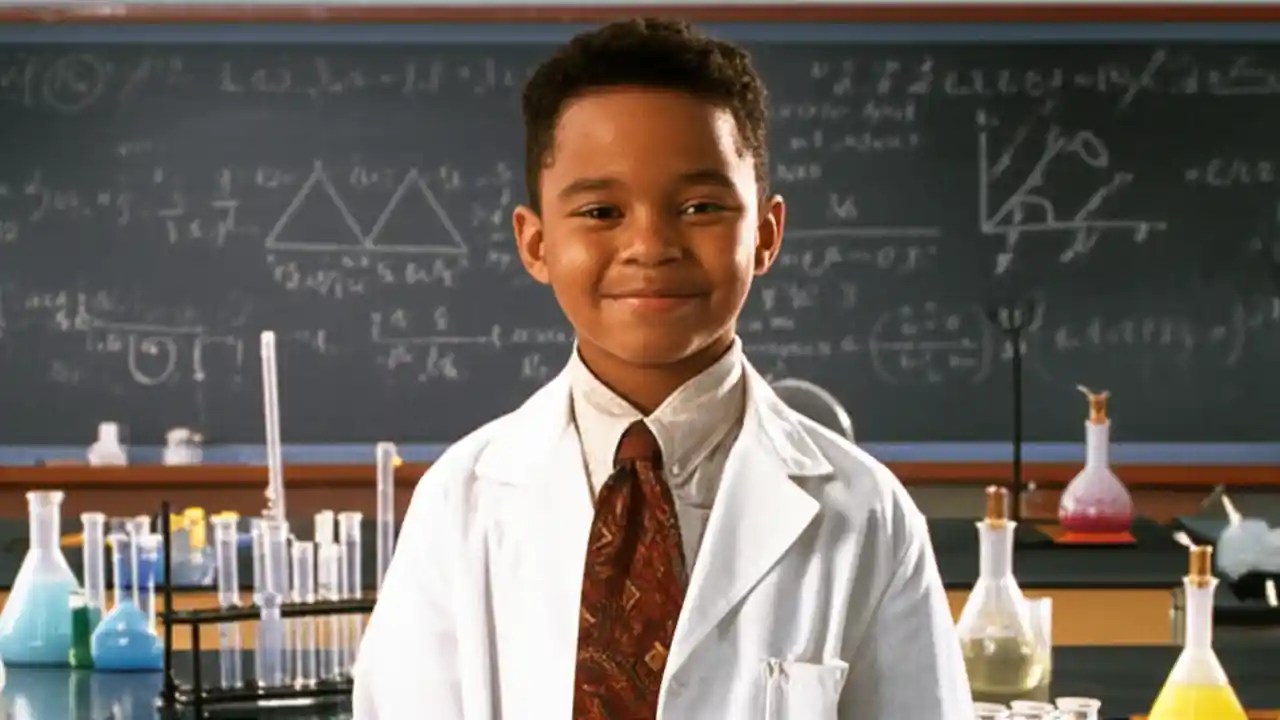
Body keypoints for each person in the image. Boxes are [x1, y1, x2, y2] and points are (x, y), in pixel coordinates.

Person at [353, 18, 972, 720]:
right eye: (601, 210)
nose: (650, 244)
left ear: (765, 235)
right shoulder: (459, 506)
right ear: (536, 243)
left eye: (700, 207)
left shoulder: (866, 514)